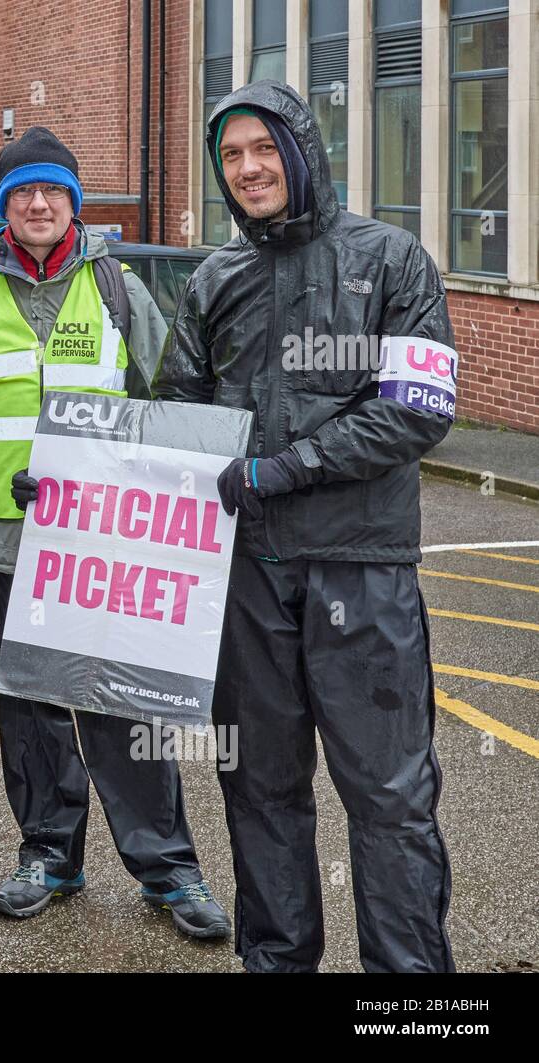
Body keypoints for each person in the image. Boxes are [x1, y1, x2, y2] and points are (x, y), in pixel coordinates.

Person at [154, 80, 455, 973]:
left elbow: (418, 407)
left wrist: (286, 468)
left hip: (361, 570)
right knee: (259, 786)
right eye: (232, 156)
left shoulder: (393, 260)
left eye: (263, 148)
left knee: (390, 797)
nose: (248, 169)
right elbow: (175, 416)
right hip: (248, 577)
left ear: (303, 150)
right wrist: (72, 490)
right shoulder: (214, 279)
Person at [0, 126, 230, 940]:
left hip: (99, 545)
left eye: (54, 191)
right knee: (30, 705)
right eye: (23, 192)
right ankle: (49, 856)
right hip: (5, 540)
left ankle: (168, 867)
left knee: (119, 705)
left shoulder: (116, 288)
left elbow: (171, 398)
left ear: (73, 202)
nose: (39, 204)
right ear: (3, 205)